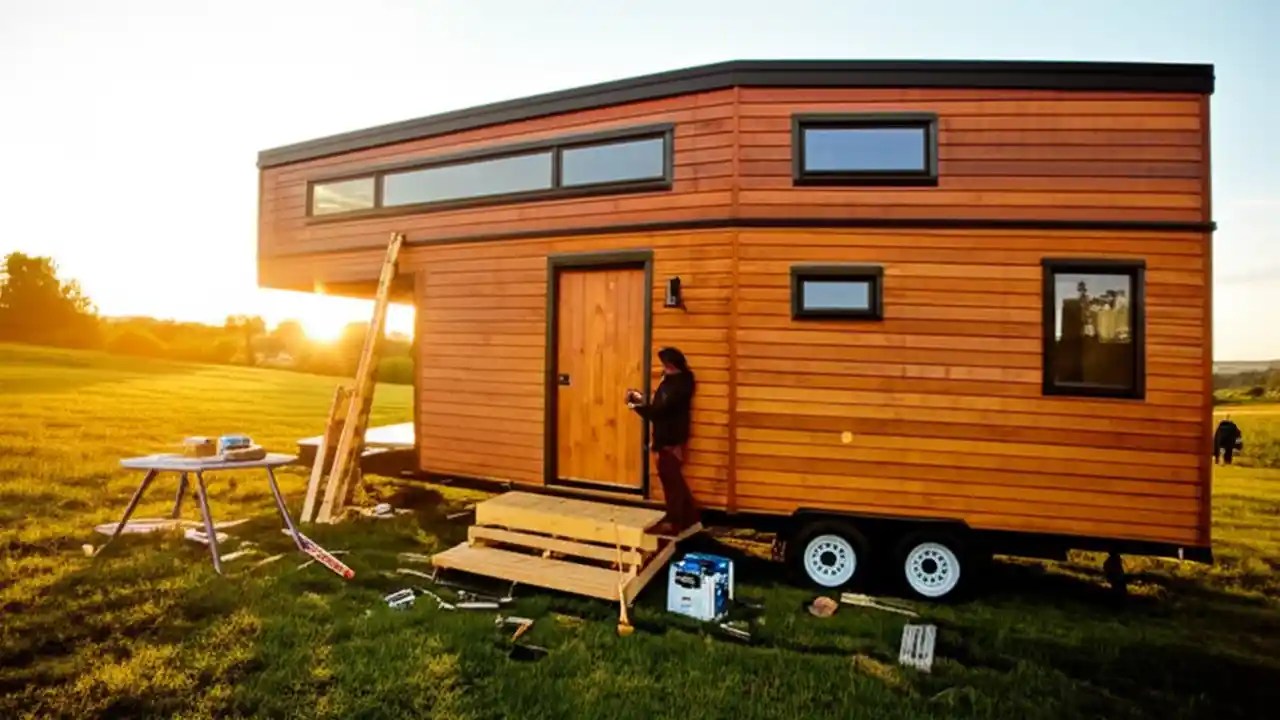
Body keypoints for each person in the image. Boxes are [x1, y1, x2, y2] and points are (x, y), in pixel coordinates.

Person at [625, 347, 698, 533]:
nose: (664, 368)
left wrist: (636, 406)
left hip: (670, 436)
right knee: (672, 478)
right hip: (667, 434)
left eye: (666, 365)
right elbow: (659, 403)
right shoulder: (674, 381)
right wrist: (642, 399)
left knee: (671, 479)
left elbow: (660, 411)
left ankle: (676, 521)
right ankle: (689, 519)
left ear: (673, 365)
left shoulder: (678, 385)